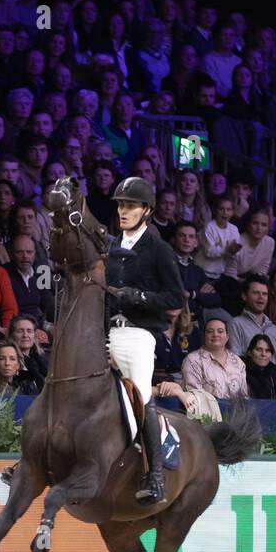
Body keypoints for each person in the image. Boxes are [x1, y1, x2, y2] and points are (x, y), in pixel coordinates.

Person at [102, 177, 187, 504]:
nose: (123, 211)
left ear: (146, 211)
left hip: (138, 333)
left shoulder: (158, 249)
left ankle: (154, 476)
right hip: (106, 329)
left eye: (130, 205)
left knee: (139, 389)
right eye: (121, 205)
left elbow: (174, 297)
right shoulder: (110, 246)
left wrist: (137, 296)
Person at [243, 334, 276, 399]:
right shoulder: (241, 371)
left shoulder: (272, 372)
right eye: (259, 350)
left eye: (267, 351)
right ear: (249, 352)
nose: (263, 354)